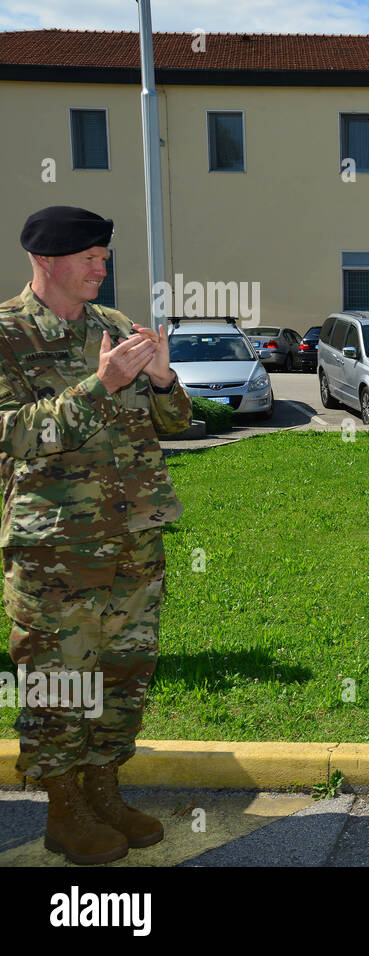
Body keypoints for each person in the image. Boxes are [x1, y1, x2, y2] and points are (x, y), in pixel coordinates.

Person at [1, 206, 192, 864]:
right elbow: (20, 434)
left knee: (123, 673)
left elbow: (172, 422)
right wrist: (99, 384)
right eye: (89, 256)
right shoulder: (7, 334)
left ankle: (105, 787)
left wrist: (164, 378)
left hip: (134, 538)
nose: (101, 267)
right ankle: (63, 807)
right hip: (55, 548)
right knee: (59, 678)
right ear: (47, 261)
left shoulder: (115, 327)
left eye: (104, 256)